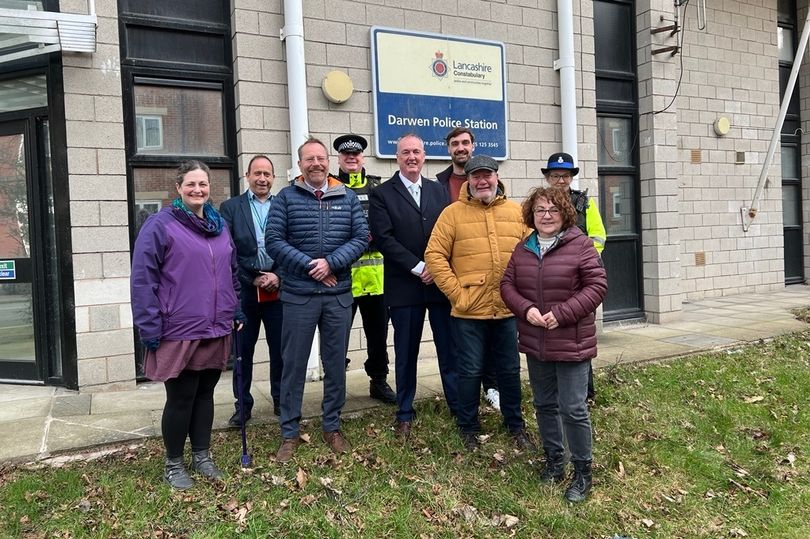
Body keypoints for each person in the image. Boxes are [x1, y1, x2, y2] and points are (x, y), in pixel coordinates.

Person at [131, 160, 243, 490]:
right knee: (181, 397)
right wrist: (149, 325)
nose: (197, 189)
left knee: (205, 394)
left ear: (210, 188)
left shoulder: (220, 225)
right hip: (178, 329)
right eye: (191, 184)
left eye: (203, 184)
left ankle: (202, 457)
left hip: (216, 326)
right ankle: (174, 463)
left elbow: (232, 272)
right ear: (178, 188)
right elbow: (143, 278)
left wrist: (236, 309)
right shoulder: (160, 225)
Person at [500, 186, 608, 503]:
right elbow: (507, 285)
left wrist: (561, 314)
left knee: (573, 408)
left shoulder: (580, 244)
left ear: (565, 213)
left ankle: (583, 473)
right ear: (531, 215)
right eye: (540, 210)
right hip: (537, 341)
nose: (546, 216)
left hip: (571, 340)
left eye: (553, 209)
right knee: (545, 404)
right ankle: (554, 461)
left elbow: (597, 285)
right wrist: (526, 310)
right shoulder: (524, 248)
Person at [266, 137, 368, 463]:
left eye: (320, 158)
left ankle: (331, 427)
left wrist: (331, 264)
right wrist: (313, 267)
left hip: (337, 297)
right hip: (299, 296)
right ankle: (289, 432)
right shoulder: (286, 198)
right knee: (293, 365)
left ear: (329, 161)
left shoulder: (347, 196)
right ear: (300, 165)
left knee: (335, 365)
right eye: (309, 159)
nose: (316, 164)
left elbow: (361, 238)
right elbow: (274, 241)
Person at [425, 155, 533, 452]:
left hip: (508, 308)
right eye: (476, 176)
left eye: (487, 175)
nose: (482, 181)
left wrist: (524, 294)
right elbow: (434, 255)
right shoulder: (452, 214)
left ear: (497, 177)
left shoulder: (516, 212)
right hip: (469, 311)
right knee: (470, 371)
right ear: (468, 180)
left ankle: (515, 425)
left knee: (509, 370)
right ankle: (468, 427)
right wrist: (457, 294)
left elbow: (532, 251)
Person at [368, 133, 458, 439]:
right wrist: (420, 267)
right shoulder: (382, 194)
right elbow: (384, 239)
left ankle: (457, 406)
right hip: (404, 286)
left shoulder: (438, 191)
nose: (412, 157)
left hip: (439, 285)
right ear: (397, 157)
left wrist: (437, 267)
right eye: (405, 152)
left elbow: (448, 233)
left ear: (424, 156)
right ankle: (404, 412)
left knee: (448, 350)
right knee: (406, 353)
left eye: (416, 152)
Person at [436, 127, 501, 411]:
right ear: (448, 148)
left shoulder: (490, 185)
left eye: (465, 142)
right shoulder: (438, 184)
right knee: (460, 345)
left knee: (492, 342)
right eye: (455, 143)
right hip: (453, 279)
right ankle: (463, 403)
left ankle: (492, 387)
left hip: (487, 279)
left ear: (473, 145)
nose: (460, 147)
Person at [220, 155, 283, 426]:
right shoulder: (231, 208)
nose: (262, 179)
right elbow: (226, 251)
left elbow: (295, 243)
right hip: (245, 291)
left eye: (267, 174)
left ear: (273, 178)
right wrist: (251, 279)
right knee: (243, 351)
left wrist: (278, 276)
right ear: (247, 176)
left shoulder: (283, 204)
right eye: (257, 173)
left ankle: (281, 400)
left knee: (280, 350)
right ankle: (243, 406)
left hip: (278, 289)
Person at [333, 134, 396, 404]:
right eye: (346, 155)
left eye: (356, 154)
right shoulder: (330, 187)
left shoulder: (377, 188)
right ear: (339, 158)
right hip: (341, 278)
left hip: (376, 277)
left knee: (378, 336)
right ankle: (335, 386)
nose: (351, 158)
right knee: (336, 337)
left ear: (362, 157)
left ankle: (378, 381)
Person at [541, 152, 607, 400]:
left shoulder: (584, 203)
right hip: (551, 280)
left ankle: (585, 390)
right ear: (548, 178)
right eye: (555, 176)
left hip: (580, 280)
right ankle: (556, 388)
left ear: (571, 178)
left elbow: (598, 236)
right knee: (553, 332)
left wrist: (580, 262)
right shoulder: (541, 203)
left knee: (580, 335)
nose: (561, 180)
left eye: (565, 176)